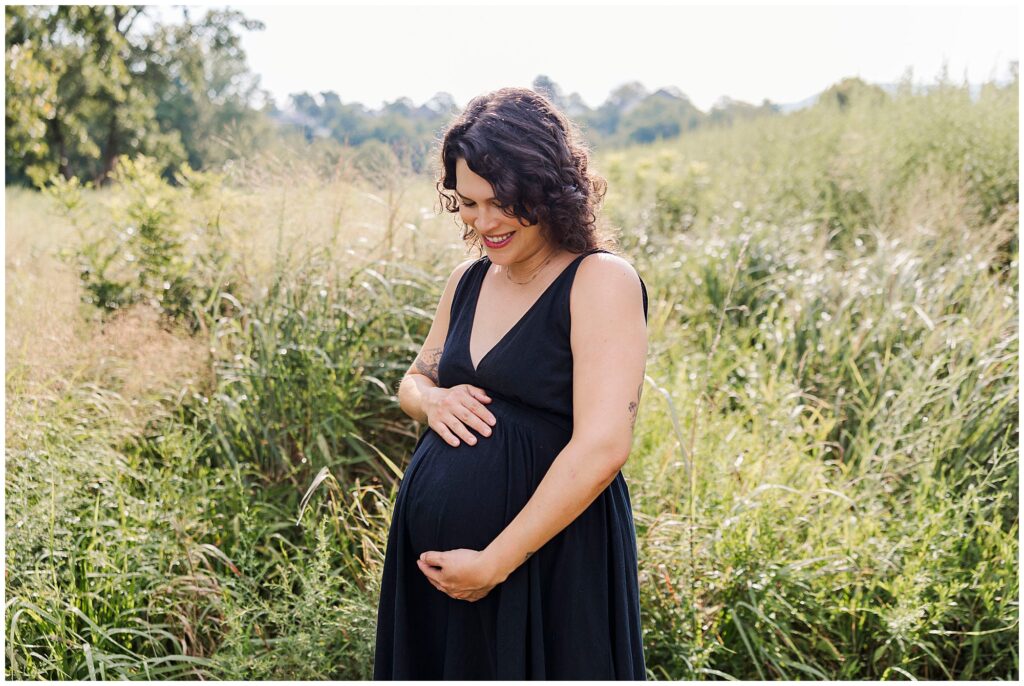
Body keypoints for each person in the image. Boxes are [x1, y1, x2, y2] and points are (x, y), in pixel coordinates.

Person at [373, 86, 649, 680]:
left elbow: (604, 446)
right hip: (443, 576)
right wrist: (431, 400)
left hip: (545, 564)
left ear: (547, 187)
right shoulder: (467, 281)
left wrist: (495, 562)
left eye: (501, 202)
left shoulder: (599, 281)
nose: (484, 222)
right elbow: (414, 380)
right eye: (468, 203)